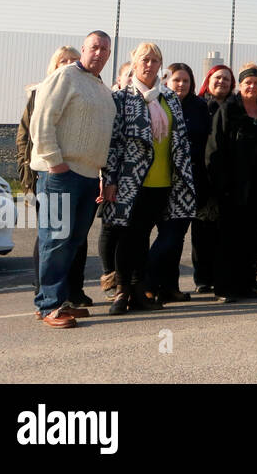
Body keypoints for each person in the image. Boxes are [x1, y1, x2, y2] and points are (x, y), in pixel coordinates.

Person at [30, 31, 117, 328]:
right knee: (55, 239)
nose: (100, 53)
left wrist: (104, 175)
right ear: (84, 49)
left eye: (105, 49)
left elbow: (103, 137)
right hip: (61, 175)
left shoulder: (102, 89)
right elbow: (42, 119)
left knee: (73, 241)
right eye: (95, 47)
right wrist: (55, 162)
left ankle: (60, 299)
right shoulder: (65, 76)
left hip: (90, 177)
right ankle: (49, 305)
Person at [103, 42, 197, 314]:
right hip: (131, 181)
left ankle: (139, 290)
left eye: (155, 60)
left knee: (144, 237)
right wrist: (110, 178)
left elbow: (179, 140)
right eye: (144, 59)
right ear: (134, 63)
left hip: (164, 180)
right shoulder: (122, 98)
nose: (149, 65)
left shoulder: (169, 98)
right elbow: (113, 143)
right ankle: (122, 291)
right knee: (128, 237)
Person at [206, 63, 257, 302]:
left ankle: (247, 284)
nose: (253, 86)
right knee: (229, 239)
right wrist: (220, 185)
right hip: (232, 188)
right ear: (241, 84)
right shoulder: (228, 110)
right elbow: (215, 149)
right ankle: (225, 287)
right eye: (248, 82)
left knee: (251, 237)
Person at [18, 46, 84, 301]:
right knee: (52, 235)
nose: (68, 64)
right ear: (53, 66)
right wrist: (28, 172)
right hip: (48, 173)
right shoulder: (40, 93)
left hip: (79, 173)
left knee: (75, 235)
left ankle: (73, 291)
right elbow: (25, 137)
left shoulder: (84, 92)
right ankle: (44, 289)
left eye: (73, 60)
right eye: (62, 60)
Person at [157, 62, 212, 301]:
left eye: (186, 81)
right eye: (176, 80)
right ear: (167, 82)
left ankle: (170, 287)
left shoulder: (200, 107)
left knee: (176, 236)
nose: (181, 85)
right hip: (161, 179)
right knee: (165, 235)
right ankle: (149, 282)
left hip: (190, 181)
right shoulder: (159, 103)